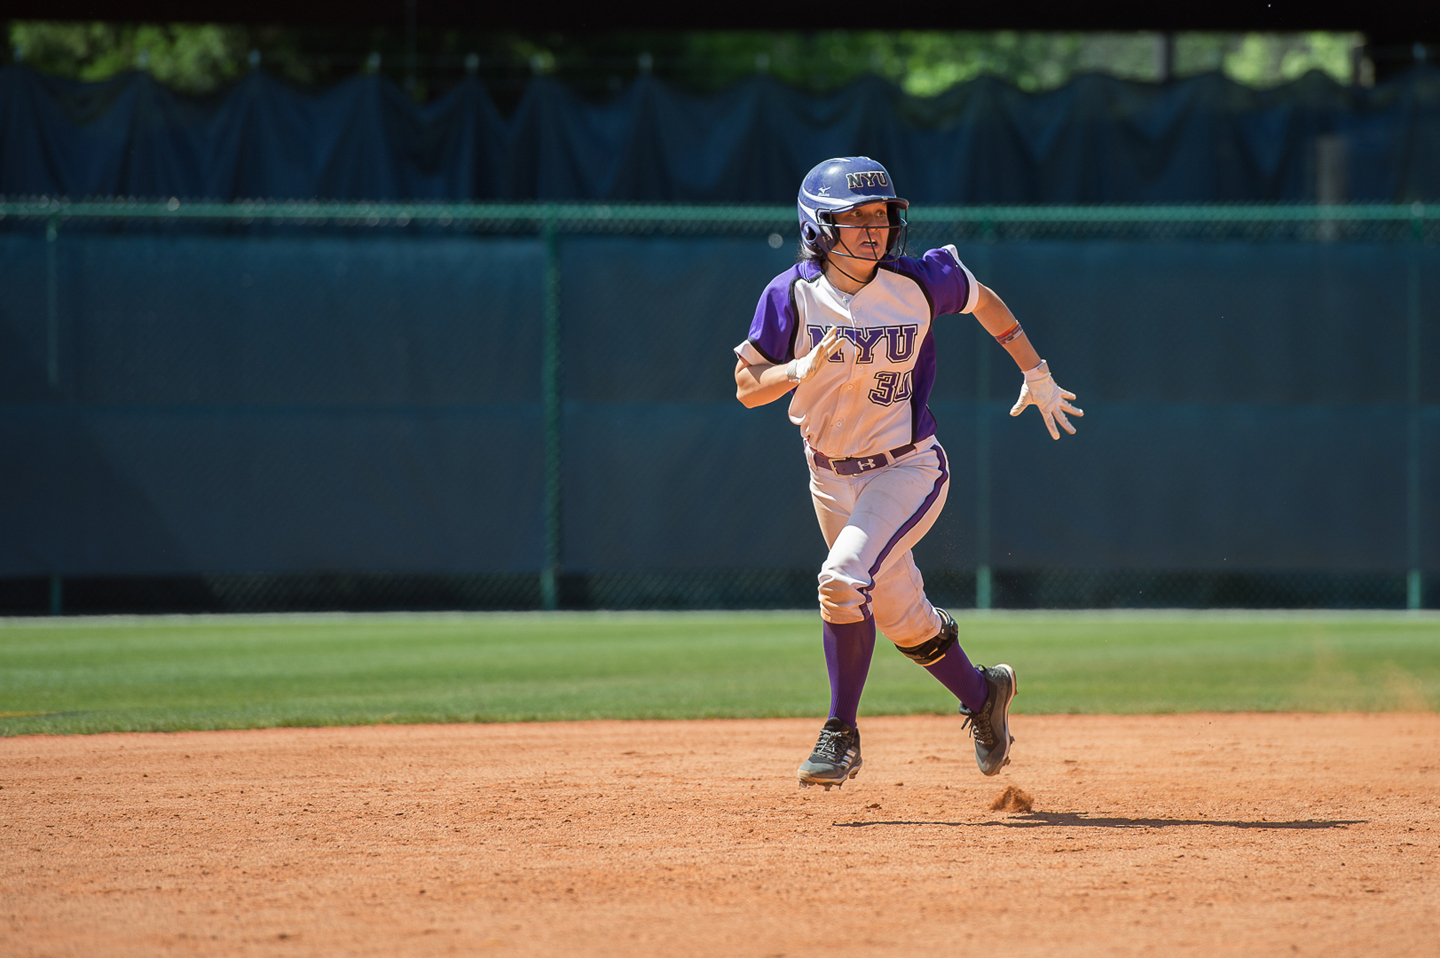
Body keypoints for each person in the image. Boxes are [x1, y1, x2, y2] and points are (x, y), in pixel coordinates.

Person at [733, 156, 1082, 789]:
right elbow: (745, 384)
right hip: (828, 477)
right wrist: (795, 370)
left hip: (908, 468)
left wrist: (1036, 371)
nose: (874, 227)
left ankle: (840, 734)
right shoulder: (790, 293)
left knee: (841, 581)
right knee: (900, 617)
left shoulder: (918, 280)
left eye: (883, 214)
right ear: (819, 226)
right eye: (855, 216)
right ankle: (984, 695)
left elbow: (983, 300)